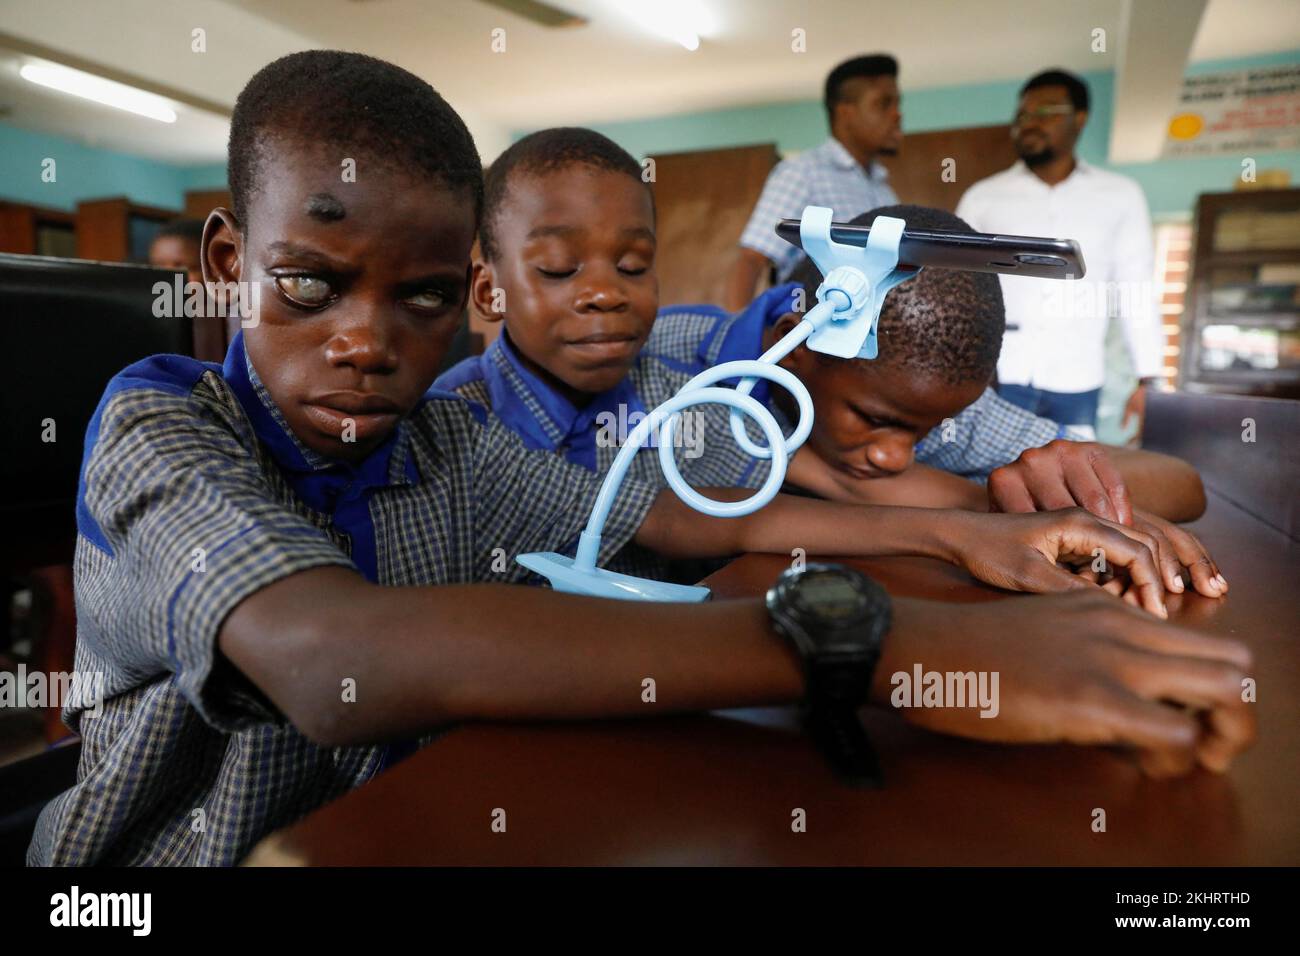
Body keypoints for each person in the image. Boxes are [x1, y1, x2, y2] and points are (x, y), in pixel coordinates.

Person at [30, 54, 1251, 867]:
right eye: (309, 283)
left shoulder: (444, 441)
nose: (363, 339)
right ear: (228, 253)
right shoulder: (161, 426)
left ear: (465, 294)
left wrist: (968, 535)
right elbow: (335, 654)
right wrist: (883, 646)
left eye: (415, 298)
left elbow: (682, 522)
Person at [442, 132, 1222, 600]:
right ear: (801, 335)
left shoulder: (689, 394)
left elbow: (827, 486)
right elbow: (715, 509)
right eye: (558, 270)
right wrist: (979, 522)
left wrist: (1047, 502)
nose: (605, 296)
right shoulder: (672, 378)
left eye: (634, 265)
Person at [956, 69, 1165, 437]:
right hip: (998, 377)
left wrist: (1149, 378)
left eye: (1044, 112)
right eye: (1022, 116)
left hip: (1078, 377)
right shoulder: (982, 198)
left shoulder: (1120, 195)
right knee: (991, 482)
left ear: (1079, 118)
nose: (1029, 124)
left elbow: (1135, 287)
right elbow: (956, 287)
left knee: (1073, 483)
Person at [722, 54, 901, 311]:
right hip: (819, 337)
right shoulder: (803, 174)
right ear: (846, 113)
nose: (896, 114)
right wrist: (737, 337)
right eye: (884, 104)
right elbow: (751, 259)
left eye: (897, 103)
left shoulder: (883, 189)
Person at [148, 218, 232, 361]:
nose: (168, 280)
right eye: (158, 268)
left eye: (182, 268)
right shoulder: (152, 325)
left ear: (215, 269)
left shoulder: (238, 325)